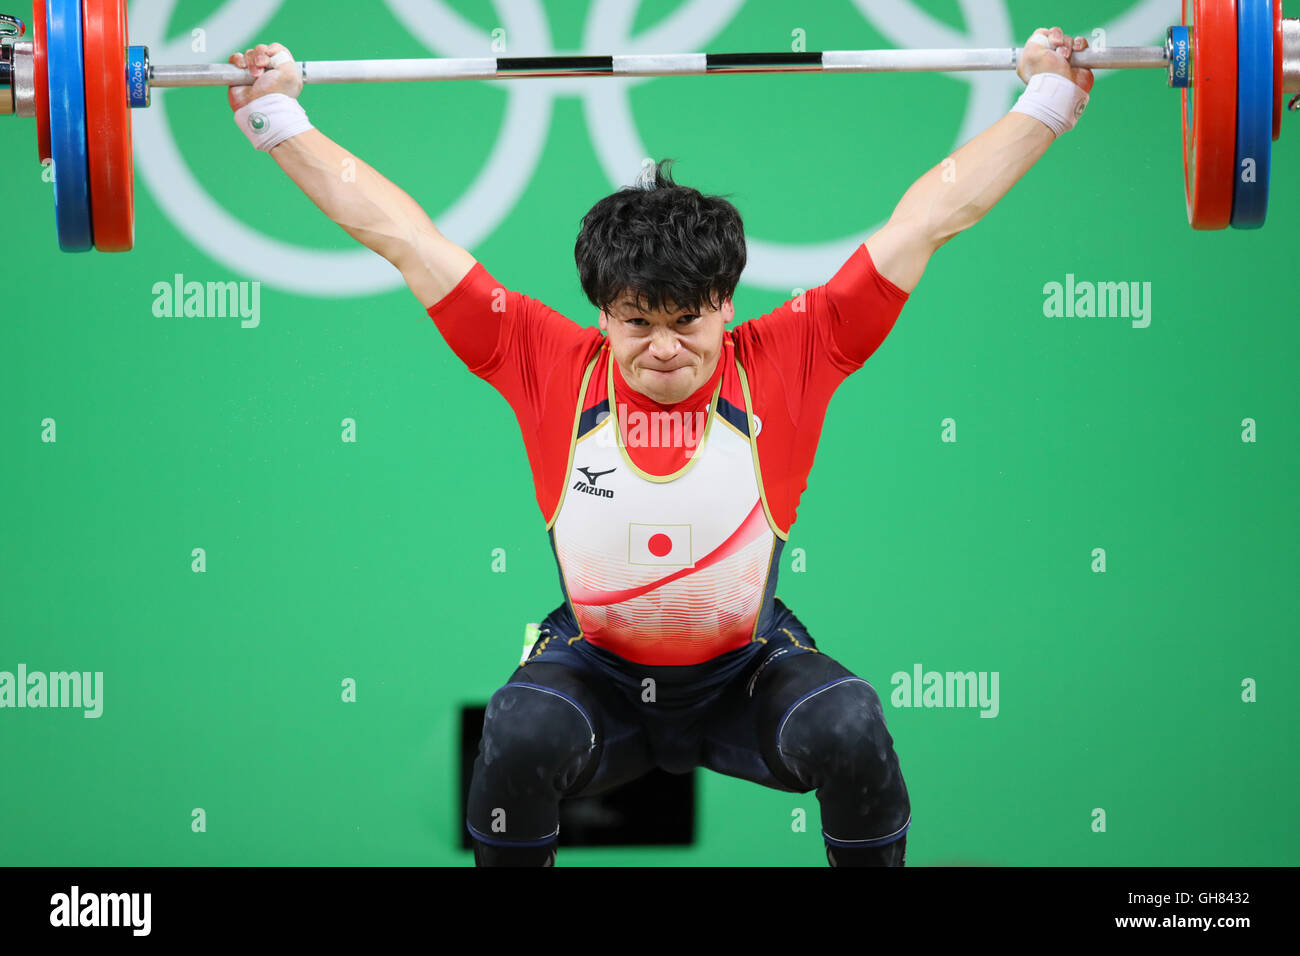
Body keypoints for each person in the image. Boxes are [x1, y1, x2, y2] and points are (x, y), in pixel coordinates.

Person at [226, 26, 1096, 866]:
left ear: (727, 301)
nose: (665, 347)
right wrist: (280, 121)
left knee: (849, 723)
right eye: (636, 323)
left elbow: (931, 217)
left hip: (747, 678)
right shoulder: (542, 357)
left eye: (689, 320)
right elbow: (403, 238)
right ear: (602, 312)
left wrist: (1048, 97)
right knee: (519, 730)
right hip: (594, 680)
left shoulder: (798, 350)